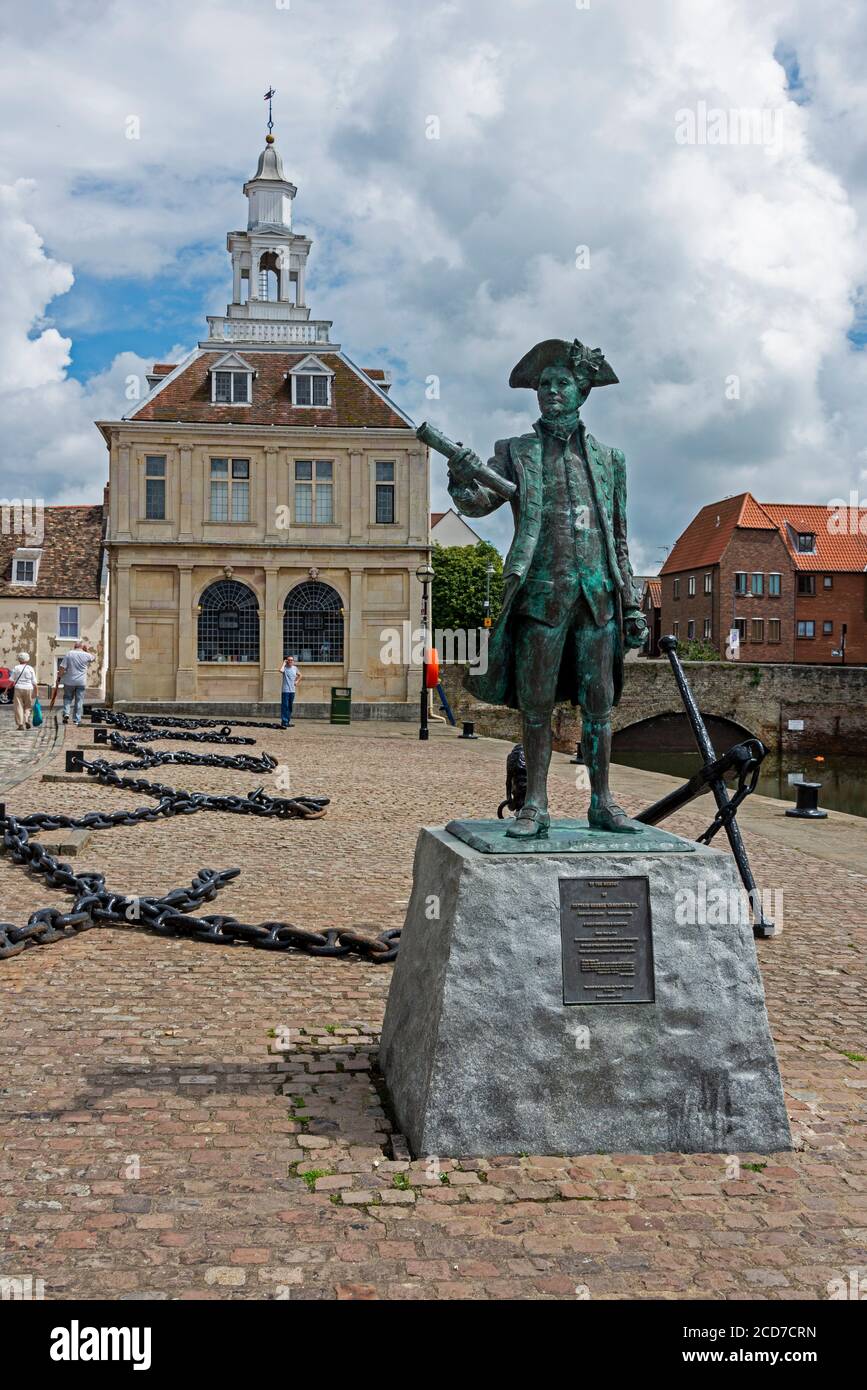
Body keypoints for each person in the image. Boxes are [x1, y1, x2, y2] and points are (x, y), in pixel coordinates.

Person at [447, 336, 648, 837]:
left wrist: (631, 603)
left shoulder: (610, 460)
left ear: (583, 391)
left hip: (597, 598)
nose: (551, 392)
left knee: (599, 705)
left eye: (562, 383)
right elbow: (475, 503)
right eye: (544, 385)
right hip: (540, 595)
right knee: (536, 705)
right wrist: (459, 477)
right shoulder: (515, 452)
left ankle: (602, 801)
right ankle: (533, 803)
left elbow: (618, 537)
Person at [53, 641, 95, 726]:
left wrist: (58, 678)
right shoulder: (86, 655)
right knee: (79, 700)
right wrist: (86, 650)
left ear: (74, 646)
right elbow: (93, 658)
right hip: (81, 682)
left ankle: (66, 713)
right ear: (82, 647)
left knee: (67, 698)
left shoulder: (69, 654)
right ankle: (77, 719)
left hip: (69, 681)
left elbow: (62, 668)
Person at [10, 651, 37, 730]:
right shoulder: (30, 668)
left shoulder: (16, 668)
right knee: (28, 706)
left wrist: (6, 690)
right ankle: (26, 719)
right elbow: (34, 682)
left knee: (18, 706)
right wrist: (36, 692)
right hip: (29, 688)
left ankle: (20, 724)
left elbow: (11, 680)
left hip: (18, 688)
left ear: (19, 660)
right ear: (27, 660)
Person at [279, 655, 301, 728]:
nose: (290, 661)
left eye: (291, 660)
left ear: (293, 661)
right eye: (289, 660)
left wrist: (297, 681)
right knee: (285, 706)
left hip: (292, 691)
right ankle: (284, 722)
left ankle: (287, 721)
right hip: (285, 691)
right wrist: (283, 663)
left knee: (290, 707)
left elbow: (300, 675)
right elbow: (280, 670)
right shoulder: (284, 668)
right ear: (286, 661)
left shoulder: (295, 668)